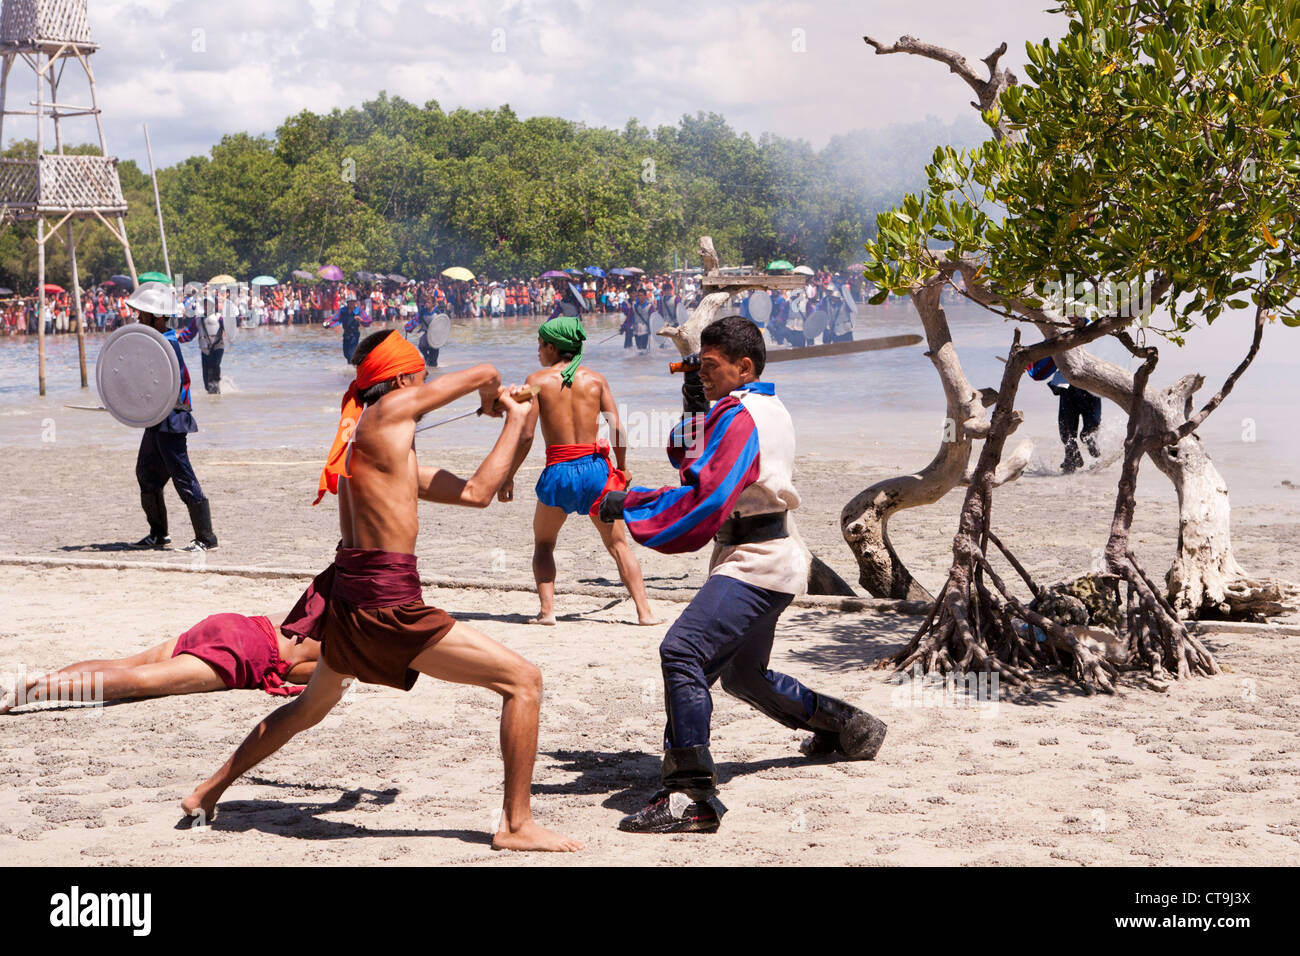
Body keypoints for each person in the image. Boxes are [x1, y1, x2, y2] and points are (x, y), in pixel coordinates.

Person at [181, 330, 580, 852]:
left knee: (308, 708)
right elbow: (484, 371)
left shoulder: (376, 446)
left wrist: (515, 420)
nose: (427, 383)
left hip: (349, 603)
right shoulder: (388, 414)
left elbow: (479, 492)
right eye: (421, 375)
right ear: (400, 381)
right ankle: (516, 824)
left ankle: (207, 791)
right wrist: (490, 398)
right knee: (523, 682)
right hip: (384, 605)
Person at [596, 316, 887, 834]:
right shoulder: (760, 406)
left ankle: (691, 798)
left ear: (743, 365)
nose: (702, 373)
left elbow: (702, 493)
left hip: (758, 559)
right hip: (764, 553)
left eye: (709, 366)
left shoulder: (740, 415)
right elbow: (695, 456)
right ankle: (848, 727)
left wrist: (629, 503)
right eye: (699, 367)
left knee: (682, 652)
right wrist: (694, 401)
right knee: (743, 676)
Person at [501, 315, 657, 627]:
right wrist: (622, 468)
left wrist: (508, 476)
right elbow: (617, 429)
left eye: (540, 344)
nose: (537, 350)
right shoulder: (596, 380)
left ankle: (547, 612)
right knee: (617, 545)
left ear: (552, 347)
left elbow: (527, 436)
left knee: (544, 543)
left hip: (559, 471)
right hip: (596, 473)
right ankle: (645, 613)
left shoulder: (538, 380)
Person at [1, 613, 319, 713]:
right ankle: (31, 691)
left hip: (235, 623)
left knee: (125, 663)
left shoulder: (333, 606)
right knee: (140, 683)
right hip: (244, 652)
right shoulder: (347, 646)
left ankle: (36, 678)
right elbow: (294, 669)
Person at [127, 282, 218, 553]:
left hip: (172, 418)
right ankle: (158, 534)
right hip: (157, 419)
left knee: (182, 477)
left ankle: (206, 537)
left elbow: (170, 384)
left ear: (156, 317)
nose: (138, 317)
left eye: (143, 314)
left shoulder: (167, 344)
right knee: (146, 474)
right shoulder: (154, 341)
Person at [1027, 357, 1102, 472]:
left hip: (1082, 385)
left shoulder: (1062, 340)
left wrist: (1029, 365)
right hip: (1075, 384)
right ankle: (1073, 456)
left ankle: (1077, 455)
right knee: (1073, 431)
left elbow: (1044, 363)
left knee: (1078, 432)